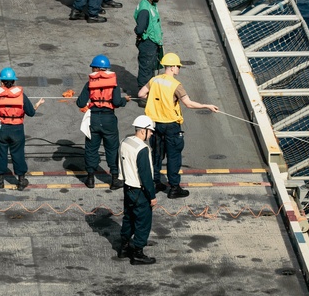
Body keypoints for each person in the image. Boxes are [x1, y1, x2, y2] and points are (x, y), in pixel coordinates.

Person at [138, 52, 219, 199]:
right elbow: (188, 103)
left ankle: (156, 183)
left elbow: (141, 94)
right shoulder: (176, 85)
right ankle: (174, 187)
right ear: (173, 67)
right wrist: (207, 106)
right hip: (171, 125)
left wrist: (156, 100)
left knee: (157, 155)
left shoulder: (154, 80)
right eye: (178, 67)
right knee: (174, 156)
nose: (179, 69)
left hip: (155, 124)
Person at [0, 67, 44, 190]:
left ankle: (0, 180)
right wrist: (37, 105)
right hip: (17, 130)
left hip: (1, 129)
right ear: (14, 82)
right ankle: (21, 180)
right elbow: (31, 112)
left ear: (2, 82)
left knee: (0, 154)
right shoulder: (21, 96)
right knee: (18, 154)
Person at [76, 55, 127, 189]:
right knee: (112, 148)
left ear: (97, 68)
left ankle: (90, 178)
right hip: (109, 118)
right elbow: (116, 102)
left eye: (93, 67)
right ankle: (115, 178)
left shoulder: (90, 83)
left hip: (93, 118)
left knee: (91, 148)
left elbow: (80, 102)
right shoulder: (113, 83)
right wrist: (124, 101)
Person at [118, 115, 158, 265]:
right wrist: (152, 196)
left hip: (127, 187)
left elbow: (120, 164)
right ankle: (138, 253)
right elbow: (146, 176)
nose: (152, 134)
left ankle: (124, 247)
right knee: (143, 221)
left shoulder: (125, 141)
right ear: (144, 131)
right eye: (150, 131)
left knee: (128, 217)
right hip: (140, 191)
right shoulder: (143, 149)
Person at [134, 0, 166, 89]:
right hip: (148, 43)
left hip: (152, 42)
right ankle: (143, 95)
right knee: (146, 69)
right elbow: (139, 29)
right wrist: (139, 32)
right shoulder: (145, 9)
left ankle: (149, 90)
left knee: (151, 68)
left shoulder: (150, 4)